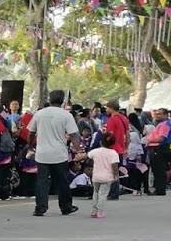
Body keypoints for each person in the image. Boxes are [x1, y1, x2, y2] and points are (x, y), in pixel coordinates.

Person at [30, 89, 79, 218]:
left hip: (42, 154)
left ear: (49, 100)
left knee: (42, 182)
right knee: (62, 181)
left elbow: (31, 132)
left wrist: (30, 146)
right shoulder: (66, 115)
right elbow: (73, 135)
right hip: (59, 154)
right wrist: (78, 150)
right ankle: (66, 207)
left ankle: (40, 208)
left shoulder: (39, 114)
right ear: (62, 101)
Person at [85, 134, 120, 219]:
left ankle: (94, 210)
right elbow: (114, 165)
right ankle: (100, 212)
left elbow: (87, 156)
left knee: (95, 193)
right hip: (107, 177)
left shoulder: (95, 151)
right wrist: (116, 175)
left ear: (101, 142)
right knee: (103, 194)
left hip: (96, 177)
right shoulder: (113, 153)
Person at [145, 107, 171, 195]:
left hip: (159, 148)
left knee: (158, 169)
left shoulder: (164, 124)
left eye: (160, 114)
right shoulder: (161, 124)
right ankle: (159, 189)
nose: (157, 116)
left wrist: (150, 141)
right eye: (156, 114)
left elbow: (161, 138)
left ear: (165, 115)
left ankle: (160, 189)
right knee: (157, 169)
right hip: (159, 148)